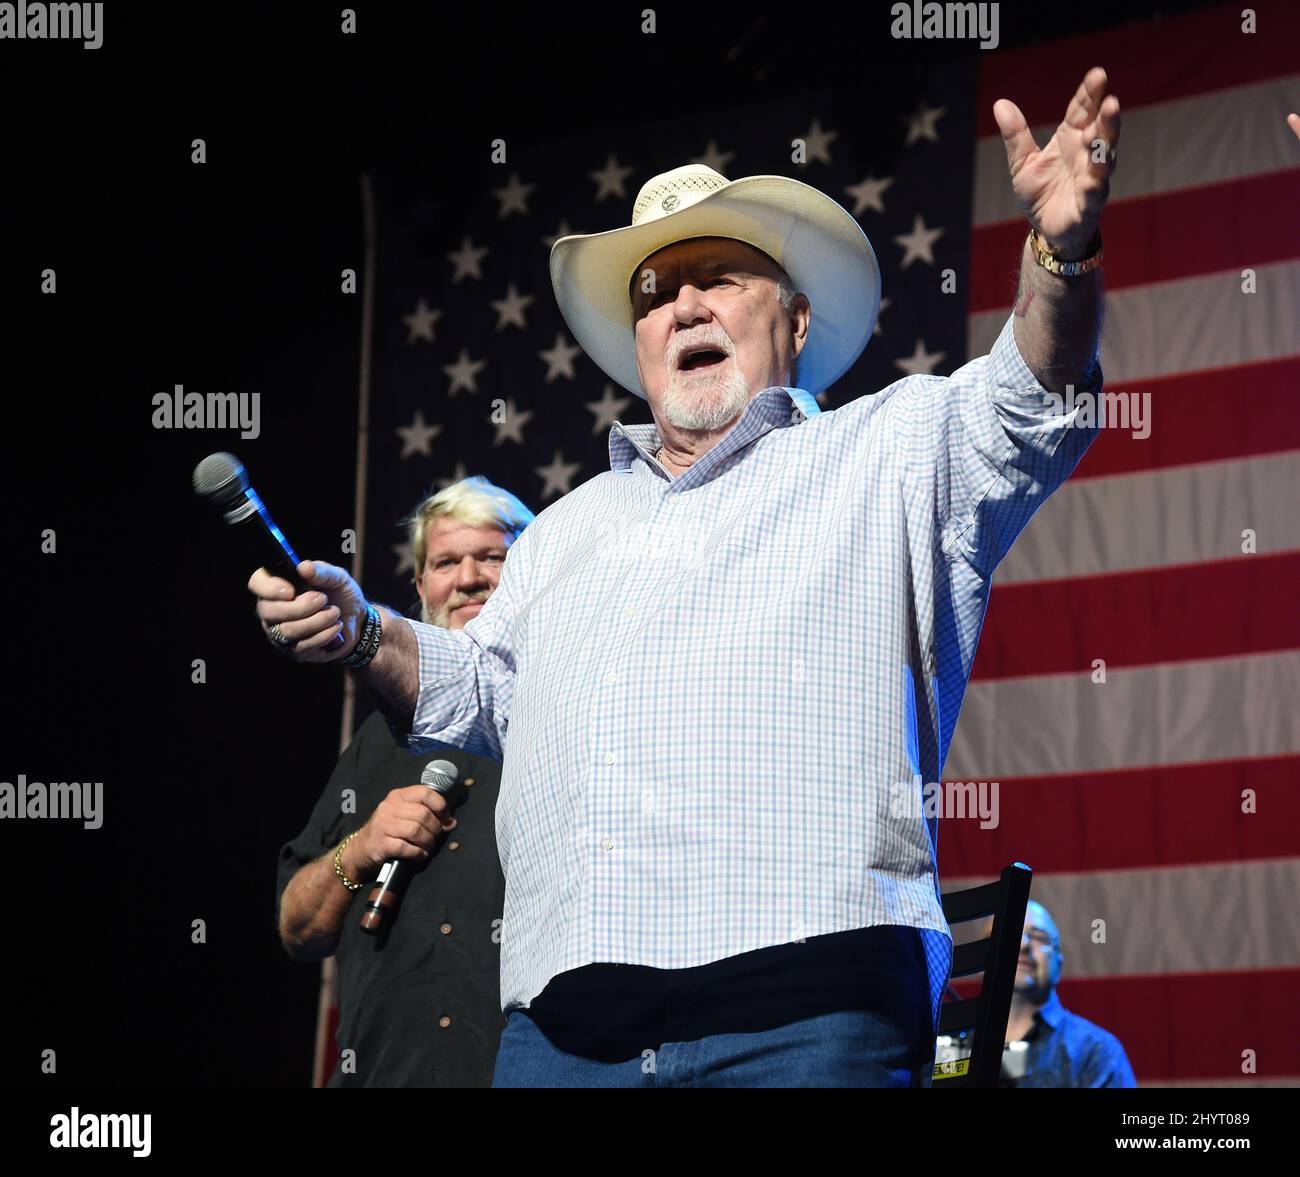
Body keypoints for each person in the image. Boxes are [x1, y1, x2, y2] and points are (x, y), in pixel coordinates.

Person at [250, 68, 1121, 1088]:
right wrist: (365, 630)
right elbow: (476, 689)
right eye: (658, 294)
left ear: (794, 319)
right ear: (640, 346)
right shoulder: (564, 530)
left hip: (810, 1005)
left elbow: (1032, 399)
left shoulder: (893, 447)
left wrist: (1061, 254)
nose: (685, 304)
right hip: (568, 1028)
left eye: (721, 276)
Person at [275, 476, 533, 1086]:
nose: (468, 577)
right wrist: (359, 849)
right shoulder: (378, 740)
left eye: (492, 556)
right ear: (420, 586)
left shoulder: (562, 713)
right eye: (446, 561)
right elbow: (296, 927)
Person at [1003, 901, 1136, 1087]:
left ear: (1059, 963)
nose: (1023, 944)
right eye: (1007, 934)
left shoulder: (1095, 1050)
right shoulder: (953, 1045)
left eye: (1037, 937)